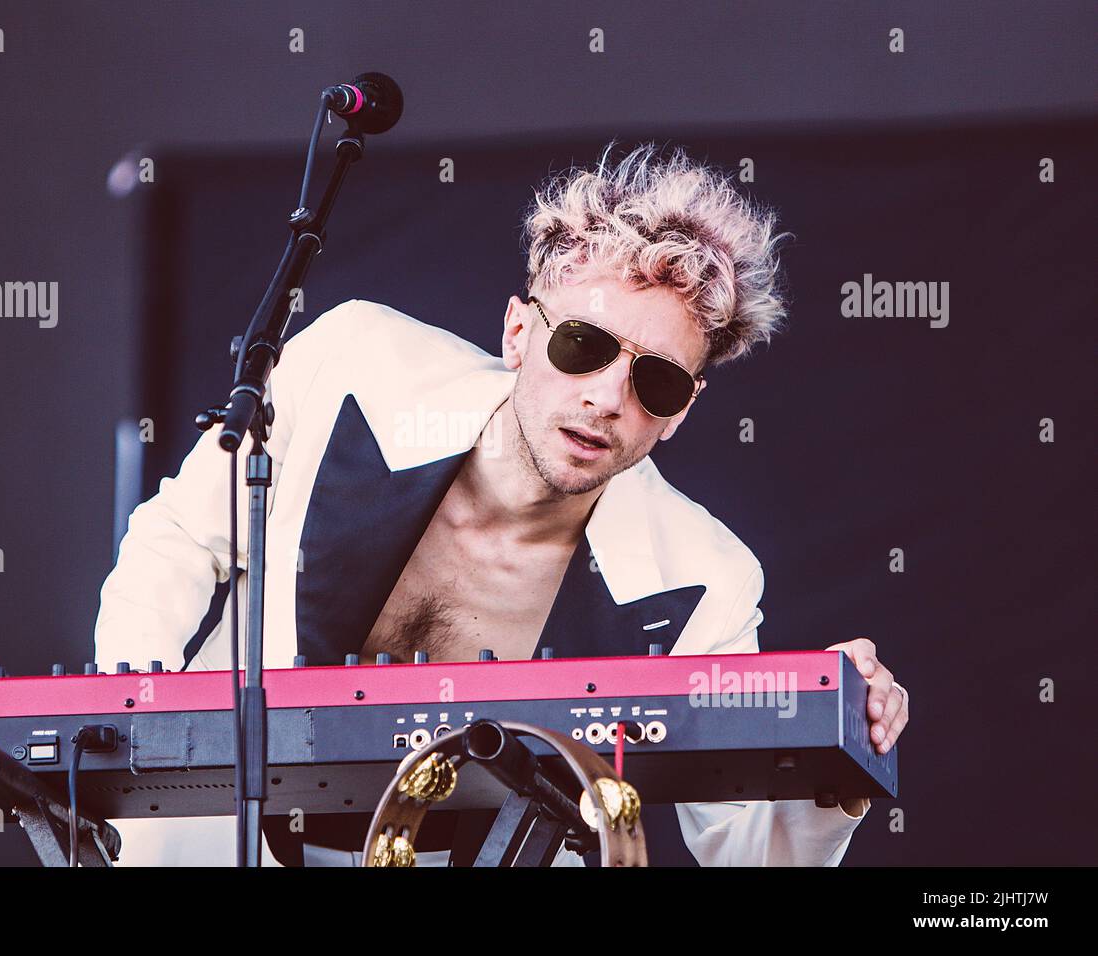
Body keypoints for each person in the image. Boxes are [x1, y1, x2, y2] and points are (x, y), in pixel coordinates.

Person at [93, 142, 910, 866]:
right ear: (519, 333)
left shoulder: (707, 578)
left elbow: (749, 854)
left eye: (655, 380)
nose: (606, 399)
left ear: (682, 411)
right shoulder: (352, 360)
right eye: (582, 347)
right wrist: (135, 725)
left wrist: (840, 758)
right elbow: (178, 539)